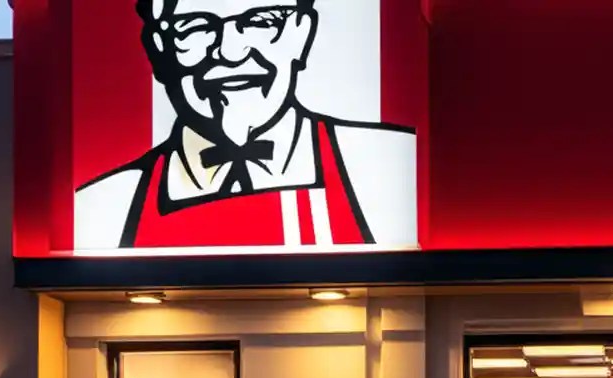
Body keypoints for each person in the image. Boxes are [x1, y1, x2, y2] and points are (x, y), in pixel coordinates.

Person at [75, 0, 417, 251]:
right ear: (159, 50)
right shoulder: (107, 206)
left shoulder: (386, 167)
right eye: (196, 27)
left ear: (302, 34)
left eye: (262, 21)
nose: (231, 51)